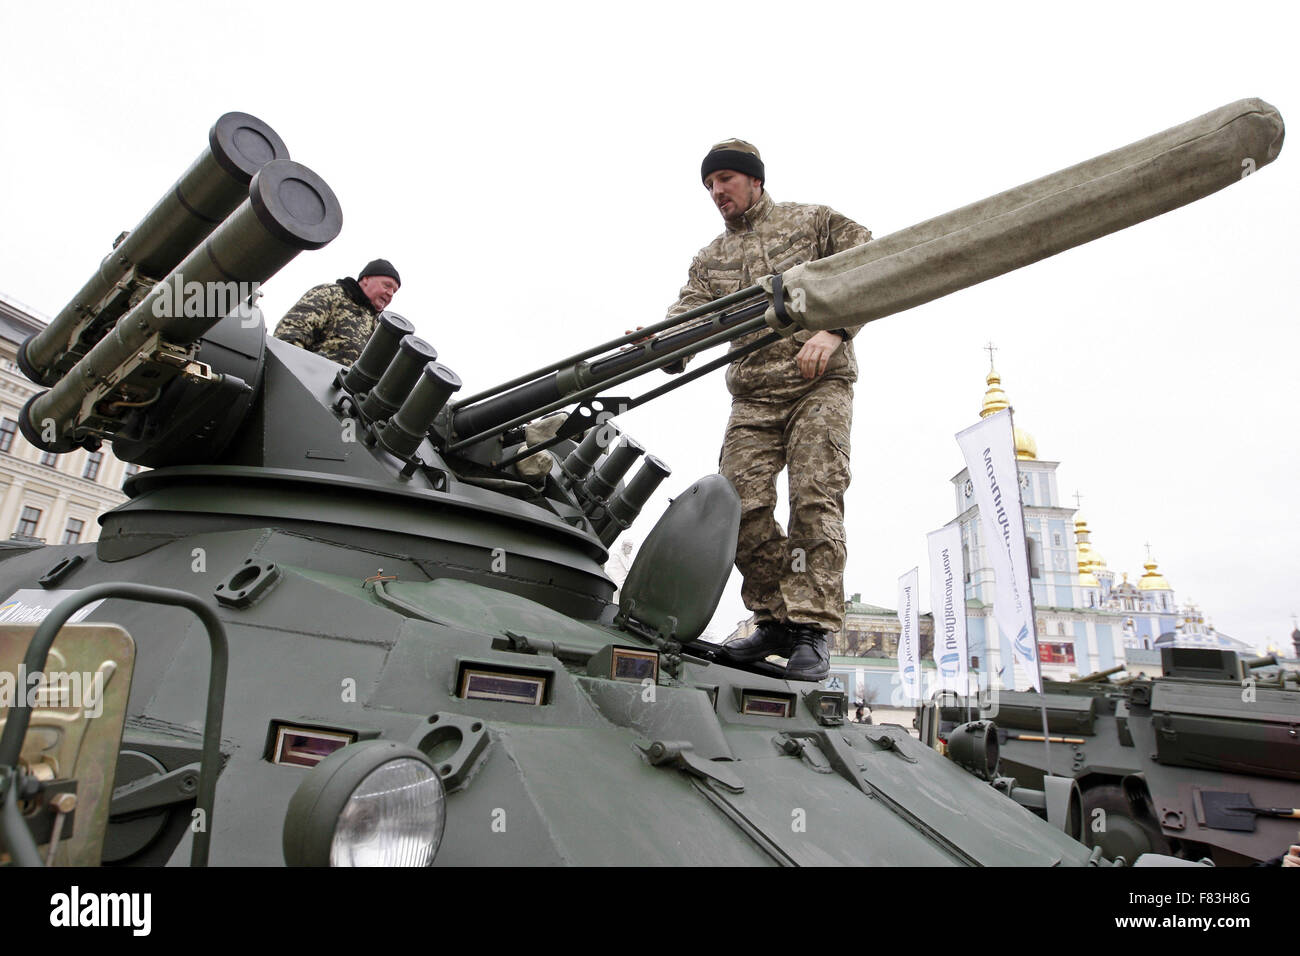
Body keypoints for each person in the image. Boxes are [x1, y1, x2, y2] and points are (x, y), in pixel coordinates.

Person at [665, 139, 870, 681]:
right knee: (738, 507)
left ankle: (811, 626)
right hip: (753, 395)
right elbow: (686, 318)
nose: (717, 192)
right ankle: (773, 619)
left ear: (755, 179)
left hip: (817, 386)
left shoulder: (814, 222)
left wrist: (835, 329)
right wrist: (657, 343)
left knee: (813, 497)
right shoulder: (711, 259)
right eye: (709, 184)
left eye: (726, 179)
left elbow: (871, 263)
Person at [273, 258, 401, 365]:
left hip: (347, 394)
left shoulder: (380, 327)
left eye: (394, 291)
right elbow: (291, 333)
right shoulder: (333, 294)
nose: (390, 293)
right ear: (366, 279)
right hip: (308, 381)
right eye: (387, 286)